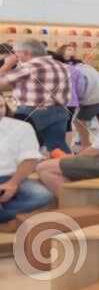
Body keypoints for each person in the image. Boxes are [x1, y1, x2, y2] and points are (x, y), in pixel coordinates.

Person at [0, 39, 72, 153]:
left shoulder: (28, 67)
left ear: (24, 53)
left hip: (33, 112)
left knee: (19, 146)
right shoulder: (62, 66)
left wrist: (7, 65)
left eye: (15, 52)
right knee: (58, 147)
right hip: (60, 111)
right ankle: (68, 168)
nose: (13, 55)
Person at [0, 97, 52, 226]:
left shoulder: (22, 127)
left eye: (1, 106)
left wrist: (13, 183)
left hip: (12, 177)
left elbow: (29, 159)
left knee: (42, 196)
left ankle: (4, 214)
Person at [68, 55, 99, 149]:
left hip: (94, 98)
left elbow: (79, 89)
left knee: (78, 121)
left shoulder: (73, 70)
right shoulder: (86, 66)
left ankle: (86, 145)